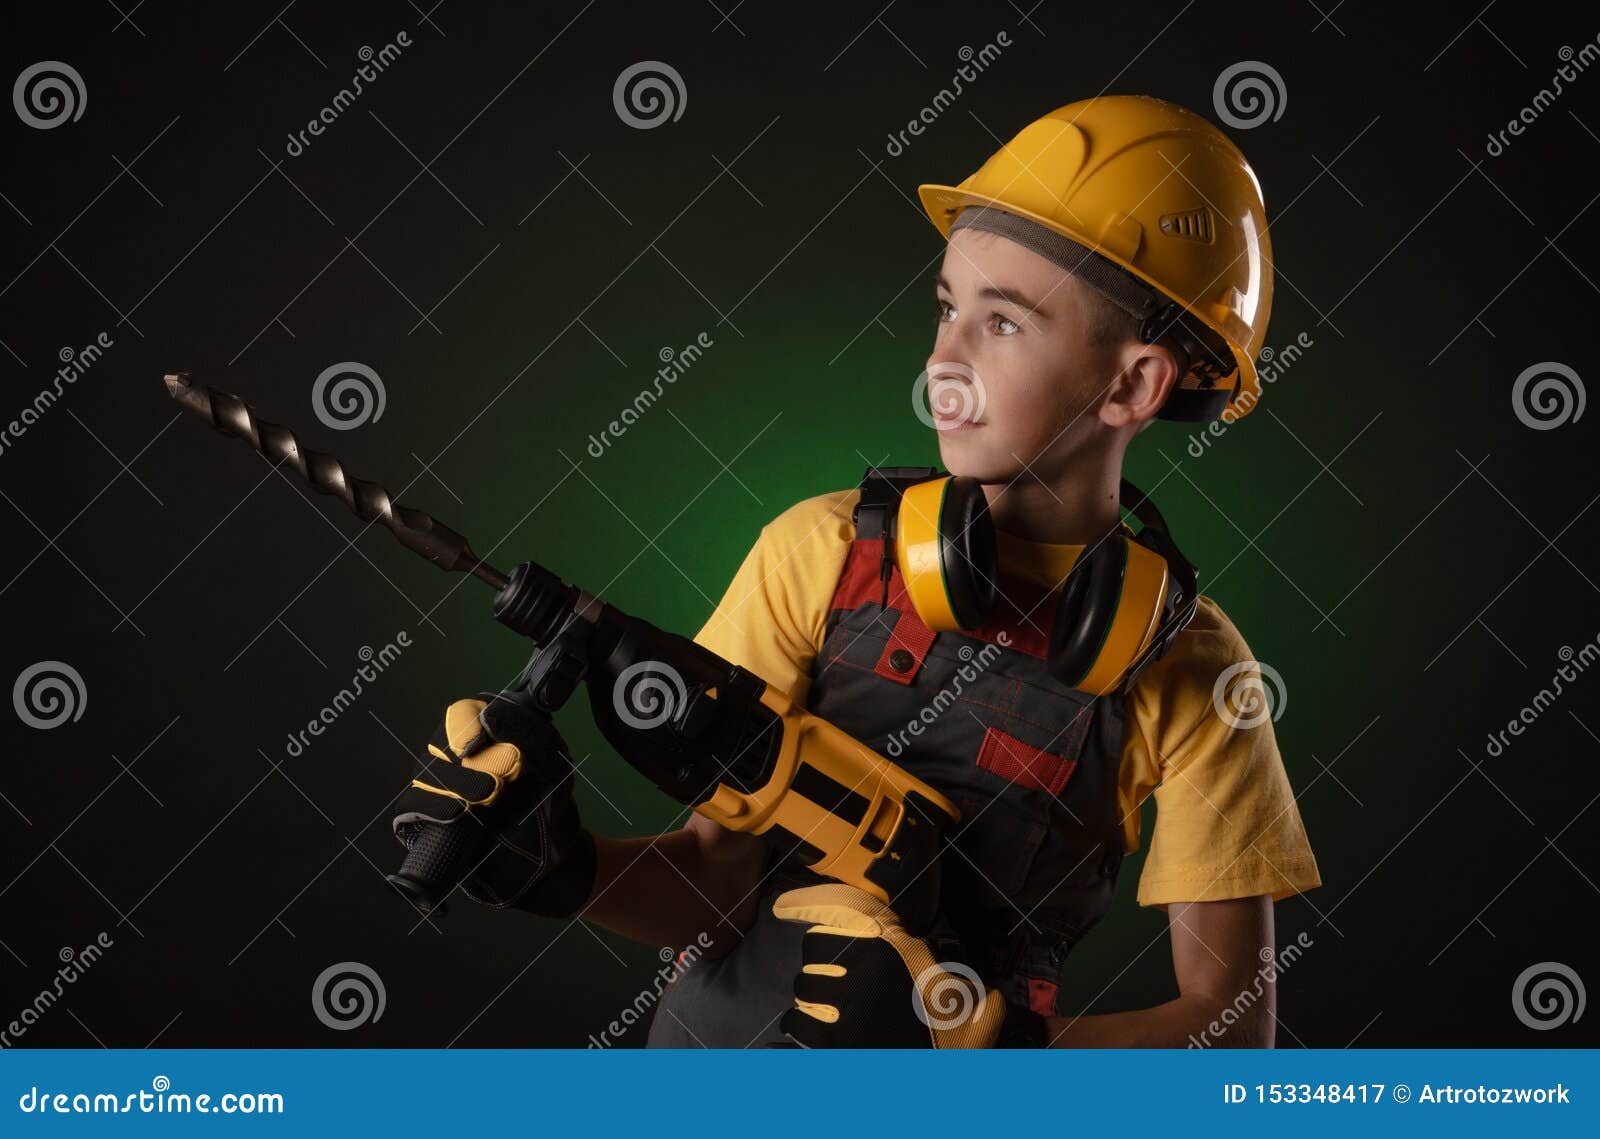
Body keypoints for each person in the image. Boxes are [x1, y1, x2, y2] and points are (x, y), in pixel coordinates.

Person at [395, 94, 1320, 1048]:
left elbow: (1231, 1037)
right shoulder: (819, 552)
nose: (943, 357)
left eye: (1002, 324)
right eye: (948, 305)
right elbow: (717, 890)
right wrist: (567, 870)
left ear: (1132, 382)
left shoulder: (1199, 674)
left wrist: (990, 1051)